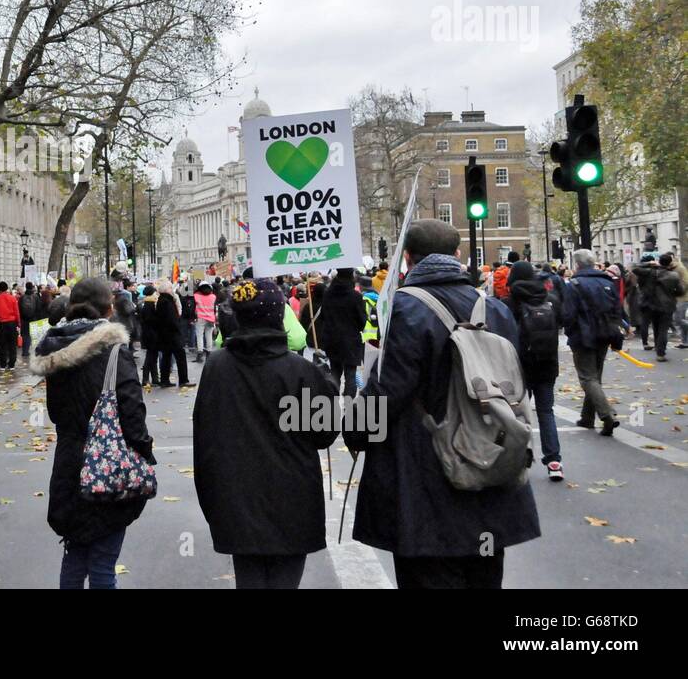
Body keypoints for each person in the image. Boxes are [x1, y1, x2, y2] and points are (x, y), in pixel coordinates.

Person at [345, 219, 540, 589]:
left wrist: (357, 430)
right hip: (489, 466)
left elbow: (390, 391)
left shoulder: (403, 308)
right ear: (456, 255)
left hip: (426, 477)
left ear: (408, 258)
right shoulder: (494, 309)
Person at [194, 278, 338, 588]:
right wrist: (326, 384)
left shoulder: (217, 367)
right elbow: (323, 434)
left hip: (236, 495)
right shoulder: (299, 370)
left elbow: (204, 435)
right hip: (292, 496)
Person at [32, 278, 154, 589]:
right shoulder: (114, 351)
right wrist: (144, 451)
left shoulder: (54, 351)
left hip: (69, 463)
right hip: (108, 465)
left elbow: (57, 412)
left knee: (75, 554)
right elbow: (132, 413)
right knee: (103, 562)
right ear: (109, 308)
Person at [504, 261, 564, 481]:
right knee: (546, 412)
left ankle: (516, 460)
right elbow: (563, 321)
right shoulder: (551, 300)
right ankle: (554, 460)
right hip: (547, 363)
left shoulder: (509, 303)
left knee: (516, 414)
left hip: (518, 366)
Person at [563, 248, 625, 433]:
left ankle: (607, 414)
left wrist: (568, 329)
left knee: (587, 377)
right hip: (605, 333)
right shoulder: (606, 281)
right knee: (595, 376)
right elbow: (617, 309)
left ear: (578, 265)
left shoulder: (574, 284)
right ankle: (587, 417)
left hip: (583, 335)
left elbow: (568, 314)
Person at [303, 269, 367, 397]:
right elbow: (362, 322)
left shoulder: (327, 294)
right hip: (350, 341)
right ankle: (348, 407)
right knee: (350, 375)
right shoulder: (356, 297)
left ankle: (333, 403)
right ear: (351, 277)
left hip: (332, 340)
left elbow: (323, 317)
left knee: (335, 373)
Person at [632, 253, 685, 363]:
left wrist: (648, 263)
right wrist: (672, 294)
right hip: (667, 305)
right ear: (670, 263)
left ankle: (656, 345)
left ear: (659, 261)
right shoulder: (674, 275)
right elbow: (681, 291)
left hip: (650, 303)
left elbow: (634, 267)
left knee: (655, 326)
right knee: (663, 329)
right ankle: (660, 352)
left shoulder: (649, 272)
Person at [153, 280, 189, 387]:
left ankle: (164, 380)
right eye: (170, 288)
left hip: (165, 334)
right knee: (180, 356)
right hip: (172, 334)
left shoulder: (161, 300)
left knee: (167, 356)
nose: (172, 290)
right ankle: (183, 380)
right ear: (166, 290)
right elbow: (172, 319)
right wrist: (178, 327)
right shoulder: (167, 301)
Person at [0, 281, 21, 371]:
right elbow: (17, 312)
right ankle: (12, 364)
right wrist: (18, 323)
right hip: (12, 323)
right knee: (12, 344)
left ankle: (2, 364)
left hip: (1, 324)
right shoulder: (12, 298)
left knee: (1, 345)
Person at [137, 284, 161, 386]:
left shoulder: (143, 303)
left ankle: (155, 378)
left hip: (147, 333)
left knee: (153, 356)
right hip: (152, 334)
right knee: (150, 356)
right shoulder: (151, 304)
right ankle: (146, 378)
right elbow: (152, 320)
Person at [194, 283, 217, 363]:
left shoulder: (196, 296)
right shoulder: (213, 297)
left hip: (200, 318)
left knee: (199, 336)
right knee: (209, 336)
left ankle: (200, 354)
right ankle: (209, 354)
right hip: (210, 318)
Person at [20, 282, 41, 360]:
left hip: (24, 319)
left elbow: (19, 308)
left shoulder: (22, 297)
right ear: (32, 287)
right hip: (34, 319)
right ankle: (34, 351)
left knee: (25, 335)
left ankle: (25, 351)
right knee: (34, 336)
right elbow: (39, 308)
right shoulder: (36, 297)